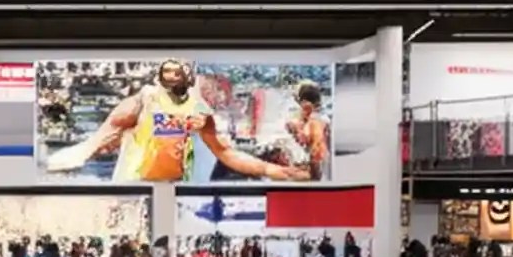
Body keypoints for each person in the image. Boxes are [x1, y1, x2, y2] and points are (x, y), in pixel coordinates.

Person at [43, 60, 312, 182]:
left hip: (175, 191)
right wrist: (82, 151)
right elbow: (108, 131)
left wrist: (273, 171)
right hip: (134, 186)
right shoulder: (146, 100)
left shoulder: (201, 114)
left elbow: (228, 153)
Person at [286, 81, 330, 180]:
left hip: (316, 170)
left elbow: (316, 155)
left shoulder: (315, 124)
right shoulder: (321, 120)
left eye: (299, 102)